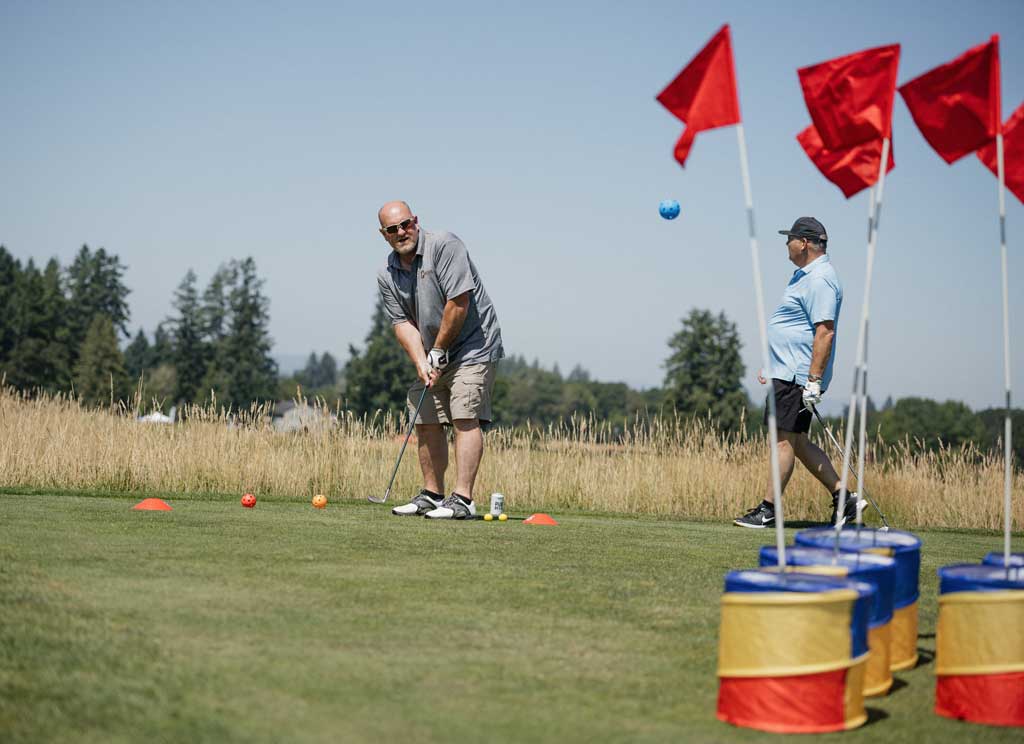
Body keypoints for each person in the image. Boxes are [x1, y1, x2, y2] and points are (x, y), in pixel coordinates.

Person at [375, 201, 504, 519]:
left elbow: (458, 302)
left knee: (464, 414)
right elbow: (402, 324)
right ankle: (432, 495)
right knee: (425, 415)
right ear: (384, 234)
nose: (401, 232)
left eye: (405, 224)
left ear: (416, 221)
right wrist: (422, 361)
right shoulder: (387, 274)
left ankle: (463, 500)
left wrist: (439, 349)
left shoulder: (445, 245)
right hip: (435, 350)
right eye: (392, 229)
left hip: (474, 345)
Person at [734, 216, 864, 528]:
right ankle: (844, 499)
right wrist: (773, 363)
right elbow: (795, 327)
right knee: (798, 442)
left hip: (797, 376)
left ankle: (769, 510)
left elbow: (824, 332)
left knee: (783, 442)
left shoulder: (820, 279)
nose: (786, 244)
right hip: (788, 370)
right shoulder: (806, 276)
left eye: (789, 239)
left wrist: (813, 380)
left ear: (804, 243)